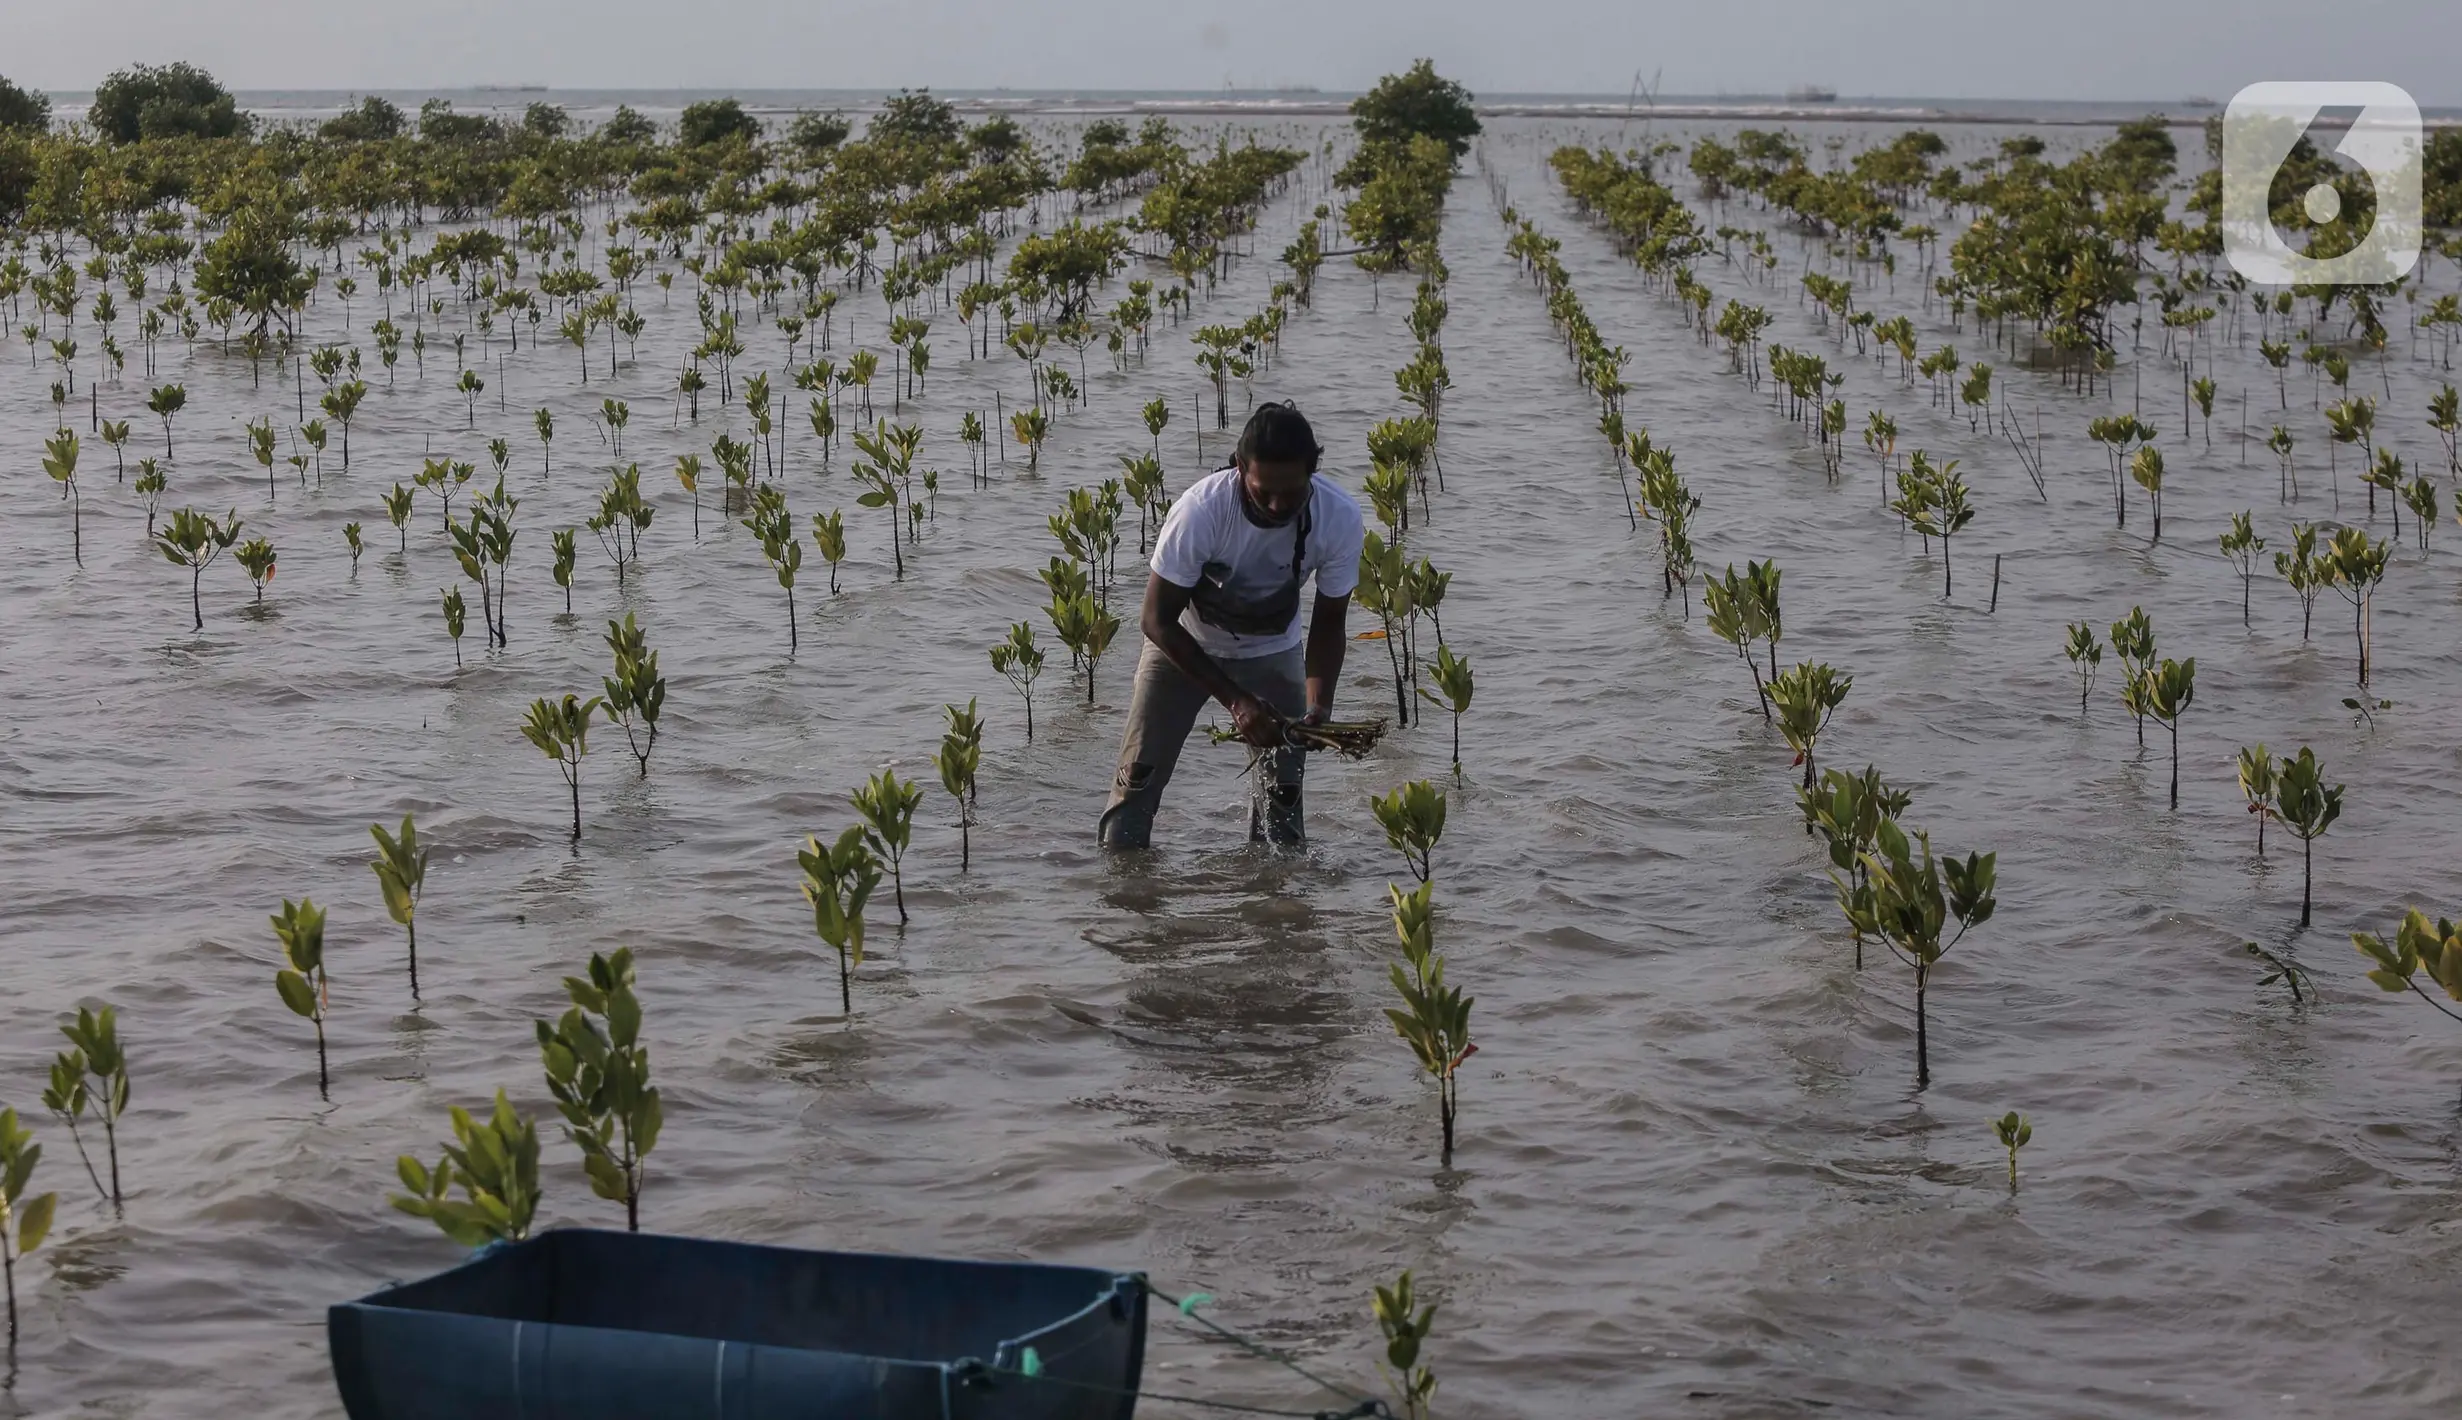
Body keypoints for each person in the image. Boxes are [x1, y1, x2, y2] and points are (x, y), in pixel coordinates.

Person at [1097, 402, 1365, 849]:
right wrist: (1237, 701)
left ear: (1312, 472)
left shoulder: (1338, 516)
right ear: (1241, 468)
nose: (1278, 505)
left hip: (1272, 650)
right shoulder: (1201, 511)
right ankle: (1123, 897)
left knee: (1282, 803)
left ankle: (1272, 904)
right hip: (1182, 645)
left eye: (1292, 493)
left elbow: (1328, 622)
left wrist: (1318, 706)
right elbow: (1155, 620)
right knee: (1137, 780)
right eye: (1264, 492)